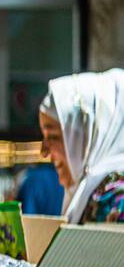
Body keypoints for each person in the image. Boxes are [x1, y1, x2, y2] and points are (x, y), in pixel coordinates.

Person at [39, 69, 124, 223]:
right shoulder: (88, 191)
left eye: (53, 137)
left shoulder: (112, 197)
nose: (44, 152)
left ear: (92, 136)